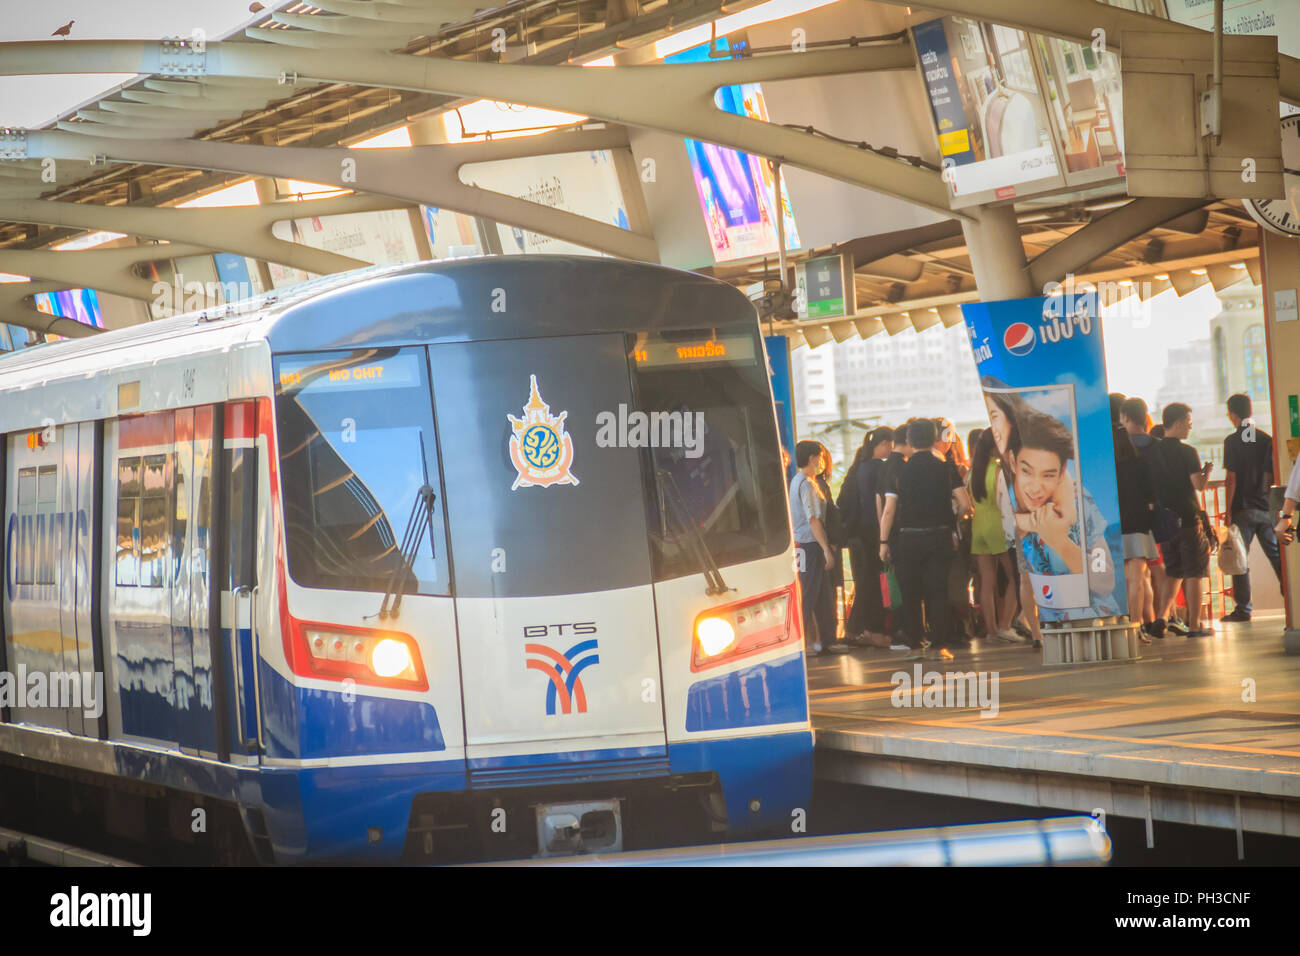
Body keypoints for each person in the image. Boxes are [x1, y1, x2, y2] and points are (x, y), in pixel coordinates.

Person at [1010, 410, 1120, 615]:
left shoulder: (1080, 503)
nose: (1036, 488)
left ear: (1062, 473)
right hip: (1049, 630)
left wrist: (1061, 542)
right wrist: (1029, 522)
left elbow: (1104, 580)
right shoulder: (1008, 504)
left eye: (1048, 475)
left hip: (1095, 621)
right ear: (1011, 462)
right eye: (1027, 471)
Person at [882, 418, 972, 661]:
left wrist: (883, 543)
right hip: (939, 537)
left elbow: (889, 510)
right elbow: (965, 503)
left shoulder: (899, 470)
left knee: (911, 593)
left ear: (909, 441)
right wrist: (956, 521)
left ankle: (914, 646)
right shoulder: (945, 468)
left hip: (908, 539)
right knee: (937, 592)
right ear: (934, 440)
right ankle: (938, 646)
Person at [1147, 402, 1214, 637]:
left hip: (1165, 522)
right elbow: (1199, 485)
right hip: (1187, 517)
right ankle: (1195, 626)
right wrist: (1206, 473)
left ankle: (1163, 617)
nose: (1189, 427)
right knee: (1195, 572)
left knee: (1173, 572)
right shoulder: (1187, 452)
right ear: (1176, 424)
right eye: (1188, 423)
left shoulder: (1152, 451)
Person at [1221, 393, 1282, 622]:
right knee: (1277, 556)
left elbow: (1232, 479)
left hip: (1242, 508)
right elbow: (1269, 475)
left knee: (1240, 559)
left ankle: (1243, 609)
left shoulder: (1232, 441)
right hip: (1266, 507)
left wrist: (1227, 510)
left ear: (1233, 415)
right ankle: (1291, 598)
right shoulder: (1266, 439)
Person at [840, 426, 893, 647]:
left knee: (865, 583)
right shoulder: (878, 468)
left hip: (856, 535)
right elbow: (878, 506)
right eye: (889, 446)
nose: (890, 450)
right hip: (871, 533)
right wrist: (884, 537)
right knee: (872, 584)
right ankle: (872, 630)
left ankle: (854, 631)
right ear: (881, 445)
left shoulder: (859, 467)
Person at [790, 440, 842, 655]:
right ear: (813, 458)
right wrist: (826, 549)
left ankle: (828, 640)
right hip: (811, 544)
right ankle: (798, 644)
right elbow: (814, 520)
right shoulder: (808, 485)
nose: (821, 462)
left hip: (804, 543)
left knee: (820, 595)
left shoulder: (796, 481)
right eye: (819, 457)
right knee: (809, 594)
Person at [969, 428, 1018, 642]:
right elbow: (1005, 505)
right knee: (1015, 578)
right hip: (997, 527)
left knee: (987, 581)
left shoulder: (972, 472)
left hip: (978, 527)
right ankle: (1005, 625)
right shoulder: (997, 471)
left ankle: (990, 631)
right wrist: (1012, 533)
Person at [1114, 427, 1159, 644]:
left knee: (1116, 581)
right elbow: (1151, 500)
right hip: (1138, 527)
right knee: (1136, 581)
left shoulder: (1104, 468)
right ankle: (1136, 626)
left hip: (1112, 529)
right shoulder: (1141, 465)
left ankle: (1117, 627)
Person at [877, 424, 914, 649]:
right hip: (899, 535)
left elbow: (879, 505)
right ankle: (903, 634)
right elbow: (889, 509)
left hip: (890, 535)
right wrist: (884, 541)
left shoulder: (886, 465)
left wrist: (882, 538)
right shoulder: (900, 467)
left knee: (898, 585)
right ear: (908, 442)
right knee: (904, 586)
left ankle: (901, 632)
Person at [814, 443, 851, 653]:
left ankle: (826, 637)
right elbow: (825, 518)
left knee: (825, 594)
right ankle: (829, 638)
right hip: (826, 545)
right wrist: (832, 545)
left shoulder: (807, 484)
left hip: (823, 545)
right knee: (827, 594)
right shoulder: (818, 486)